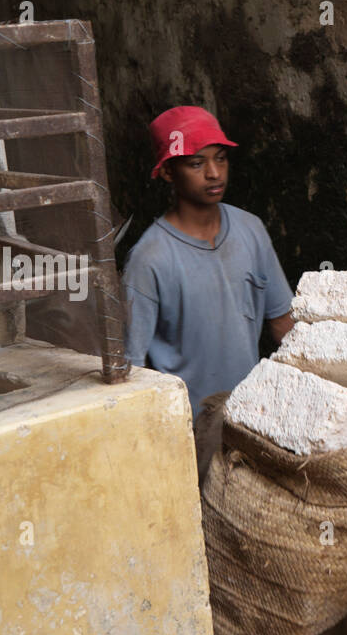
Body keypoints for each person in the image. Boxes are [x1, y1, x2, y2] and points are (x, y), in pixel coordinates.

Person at [122, 105, 295, 421]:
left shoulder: (251, 230)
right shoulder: (149, 258)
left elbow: (283, 323)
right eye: (196, 163)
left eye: (221, 158)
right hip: (188, 426)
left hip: (251, 413)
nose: (214, 173)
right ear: (167, 172)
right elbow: (132, 369)